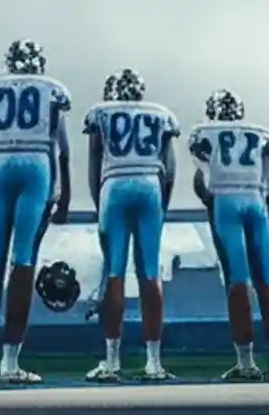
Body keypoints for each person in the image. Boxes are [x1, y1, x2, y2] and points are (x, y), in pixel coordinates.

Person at [0, 39, 72, 384]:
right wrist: (64, 193)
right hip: (36, 163)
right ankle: (10, 361)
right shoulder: (51, 89)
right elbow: (62, 147)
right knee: (23, 261)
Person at [83, 69, 178, 382]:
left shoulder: (101, 113)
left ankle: (112, 361)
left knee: (114, 273)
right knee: (150, 272)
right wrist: (162, 203)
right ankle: (154, 361)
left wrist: (100, 204)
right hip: (151, 181)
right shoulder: (160, 114)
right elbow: (170, 167)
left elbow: (94, 161)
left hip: (115, 184)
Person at [190, 89, 269, 381]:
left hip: (226, 201)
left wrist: (208, 200)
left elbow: (202, 180)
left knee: (237, 280)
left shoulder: (204, 132)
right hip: (256, 201)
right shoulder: (259, 133)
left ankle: (246, 361)